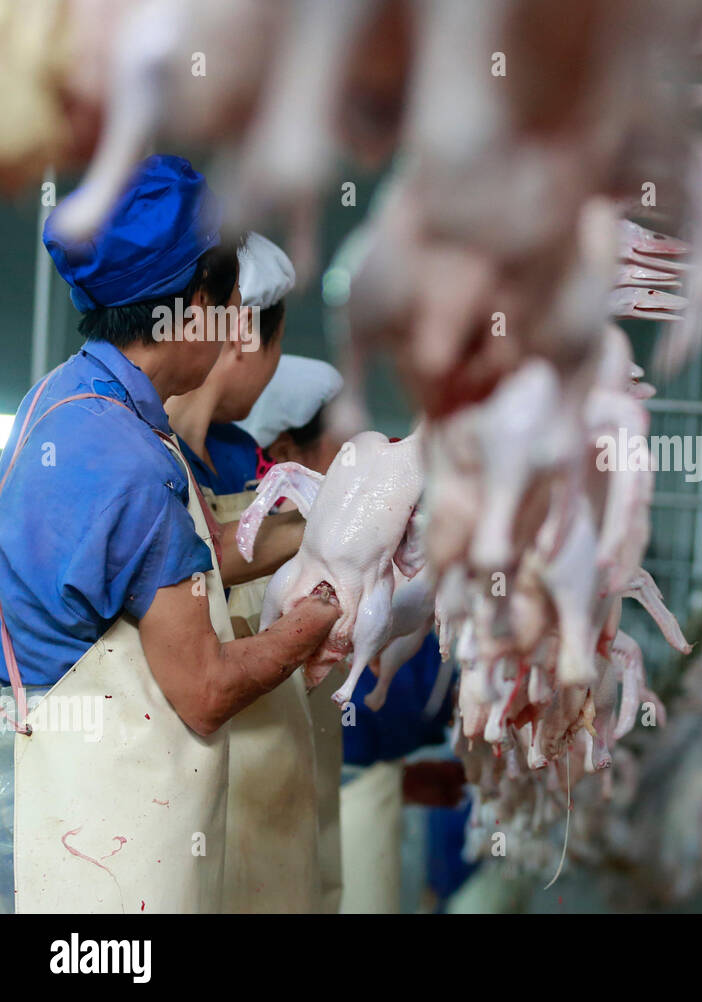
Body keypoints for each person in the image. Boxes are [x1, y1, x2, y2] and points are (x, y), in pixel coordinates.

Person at [0, 155, 339, 914]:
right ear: (190, 306)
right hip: (115, 850)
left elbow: (199, 560)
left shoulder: (74, 399)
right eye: (223, 309)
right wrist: (319, 615)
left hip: (89, 816)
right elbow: (206, 689)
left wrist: (329, 519)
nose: (229, 340)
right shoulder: (127, 459)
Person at [238, 355, 458, 913]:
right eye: (343, 458)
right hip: (274, 798)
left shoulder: (369, 534)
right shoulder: (281, 546)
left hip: (333, 786)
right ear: (288, 453)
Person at [165, 233, 330, 912]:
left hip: (271, 760)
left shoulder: (242, 456)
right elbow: (214, 558)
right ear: (240, 334)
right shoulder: (149, 453)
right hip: (182, 762)